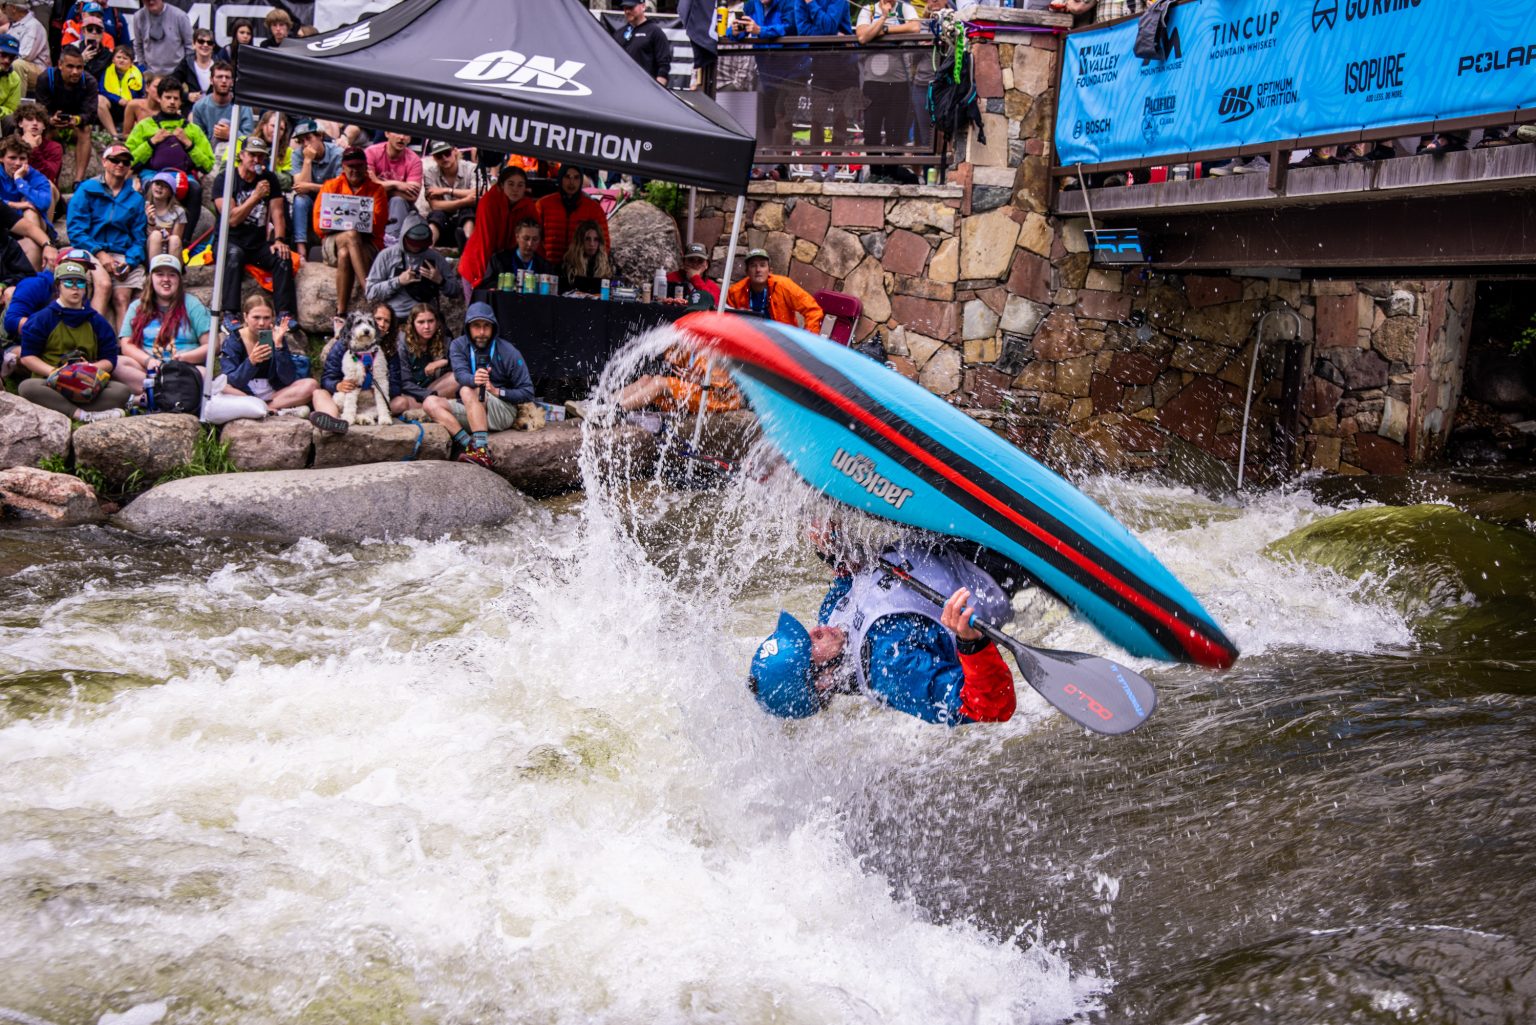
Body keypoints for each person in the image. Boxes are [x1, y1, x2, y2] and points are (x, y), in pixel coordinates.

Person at [749, 541, 1017, 724]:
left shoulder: (831, 617)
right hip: (986, 568)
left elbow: (851, 573)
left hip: (937, 533)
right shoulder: (891, 672)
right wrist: (970, 644)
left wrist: (831, 546)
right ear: (824, 680)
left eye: (804, 634)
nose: (815, 630)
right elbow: (987, 708)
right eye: (809, 646)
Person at [15, 254, 132, 422]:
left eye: (80, 282)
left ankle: (64, 409)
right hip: (50, 383)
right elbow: (27, 357)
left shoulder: (96, 321)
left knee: (122, 391)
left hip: (87, 383)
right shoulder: (42, 318)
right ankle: (82, 415)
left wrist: (90, 369)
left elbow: (110, 359)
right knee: (27, 387)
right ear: (58, 286)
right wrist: (56, 373)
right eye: (68, 282)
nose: (75, 288)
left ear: (85, 287)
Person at [421, 301, 534, 469]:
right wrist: (475, 379)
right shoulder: (458, 345)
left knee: (467, 391)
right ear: (468, 327)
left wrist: (497, 391)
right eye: (476, 326)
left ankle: (482, 450)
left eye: (486, 326)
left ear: (494, 327)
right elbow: (460, 374)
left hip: (502, 410)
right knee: (430, 402)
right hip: (472, 407)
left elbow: (528, 392)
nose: (481, 332)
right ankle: (470, 446)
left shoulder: (508, 351)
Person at [210, 134, 296, 326]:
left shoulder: (269, 178)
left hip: (257, 243)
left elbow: (277, 212)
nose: (257, 160)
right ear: (242, 155)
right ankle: (231, 312)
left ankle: (285, 313)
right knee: (233, 255)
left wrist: (280, 239)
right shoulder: (226, 178)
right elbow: (231, 219)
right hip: (229, 240)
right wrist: (255, 196)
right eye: (252, 155)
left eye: (260, 156)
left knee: (283, 257)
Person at [65, 142, 144, 326]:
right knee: (104, 285)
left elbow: (139, 238)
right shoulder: (86, 189)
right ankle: (92, 339)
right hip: (90, 250)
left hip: (122, 254)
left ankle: (122, 346)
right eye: (115, 160)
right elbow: (76, 230)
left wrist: (130, 262)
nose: (120, 165)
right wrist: (100, 254)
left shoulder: (136, 198)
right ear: (104, 162)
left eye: (125, 162)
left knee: (122, 297)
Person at [113, 252, 210, 396]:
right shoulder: (136, 307)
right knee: (118, 364)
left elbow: (211, 344)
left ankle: (155, 393)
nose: (166, 279)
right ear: (151, 278)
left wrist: (185, 358)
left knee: (203, 373)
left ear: (179, 279)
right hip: (149, 370)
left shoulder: (192, 304)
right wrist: (148, 361)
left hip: (184, 369)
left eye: (172, 274)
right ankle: (168, 392)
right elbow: (126, 344)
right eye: (159, 274)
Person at [124, 76, 210, 237]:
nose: (171, 102)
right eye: (167, 97)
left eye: (175, 98)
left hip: (182, 177)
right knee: (151, 186)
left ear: (181, 102)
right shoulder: (145, 126)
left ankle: (184, 241)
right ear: (160, 98)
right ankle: (147, 237)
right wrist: (151, 142)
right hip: (152, 174)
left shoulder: (192, 130)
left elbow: (208, 164)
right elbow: (128, 159)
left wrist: (188, 144)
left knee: (195, 189)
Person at [313, 145, 388, 319]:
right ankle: (369, 290)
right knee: (351, 234)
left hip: (367, 245)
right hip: (333, 241)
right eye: (350, 166)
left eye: (359, 166)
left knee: (345, 253)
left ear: (365, 167)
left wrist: (350, 220)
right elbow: (318, 226)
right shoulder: (330, 186)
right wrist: (350, 223)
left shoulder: (377, 190)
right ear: (343, 167)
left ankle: (340, 313)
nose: (355, 170)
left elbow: (378, 225)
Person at [219, 292, 319, 412]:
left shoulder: (276, 336)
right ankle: (264, 407)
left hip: (274, 393)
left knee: (311, 384)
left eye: (266, 318)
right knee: (221, 386)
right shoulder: (234, 339)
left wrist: (279, 347)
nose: (261, 323)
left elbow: (288, 378)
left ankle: (266, 407)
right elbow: (232, 380)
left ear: (272, 318)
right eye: (256, 317)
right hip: (243, 392)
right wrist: (251, 362)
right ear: (245, 317)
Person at [457, 164, 535, 301]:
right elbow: (485, 243)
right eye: (511, 184)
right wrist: (480, 280)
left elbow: (535, 239)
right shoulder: (489, 201)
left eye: (520, 185)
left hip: (504, 268)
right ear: (501, 185)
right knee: (477, 314)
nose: (515, 189)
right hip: (477, 266)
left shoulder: (528, 206)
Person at [365, 220, 459, 321]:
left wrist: (441, 281)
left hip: (426, 319)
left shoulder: (435, 258)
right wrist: (398, 281)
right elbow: (370, 292)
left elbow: (456, 291)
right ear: (404, 238)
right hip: (396, 318)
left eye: (420, 243)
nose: (417, 247)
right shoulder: (387, 256)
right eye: (413, 243)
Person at [616, 342, 742, 414]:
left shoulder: (713, 353)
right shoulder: (687, 347)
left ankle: (617, 411)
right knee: (646, 379)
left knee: (659, 383)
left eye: (669, 356)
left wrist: (702, 381)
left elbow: (726, 393)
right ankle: (607, 402)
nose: (668, 361)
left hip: (719, 401)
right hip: (697, 393)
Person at [36, 45, 99, 185]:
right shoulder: (46, 79)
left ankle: (78, 180)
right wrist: (50, 119)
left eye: (79, 67)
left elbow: (91, 114)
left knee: (86, 130)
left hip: (75, 126)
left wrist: (76, 120)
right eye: (70, 66)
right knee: (42, 130)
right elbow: (39, 109)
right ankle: (47, 179)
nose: (75, 72)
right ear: (60, 64)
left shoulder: (89, 82)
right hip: (51, 125)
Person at [727, 247, 823, 331]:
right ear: (747, 272)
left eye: (762, 265)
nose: (758, 270)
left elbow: (813, 310)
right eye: (753, 265)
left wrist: (807, 339)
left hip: (783, 341)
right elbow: (727, 320)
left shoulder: (784, 286)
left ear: (770, 271)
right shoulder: (735, 292)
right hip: (751, 340)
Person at [389, 302, 456, 415]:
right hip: (410, 393)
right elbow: (405, 383)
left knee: (455, 377)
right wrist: (429, 396)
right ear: (412, 324)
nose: (427, 327)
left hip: (433, 388)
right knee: (398, 405)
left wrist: (443, 362)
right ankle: (429, 407)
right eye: (421, 322)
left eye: (431, 321)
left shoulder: (445, 340)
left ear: (437, 322)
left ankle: (427, 408)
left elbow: (460, 367)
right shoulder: (402, 343)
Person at [536, 164, 607, 263]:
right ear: (560, 178)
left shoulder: (594, 209)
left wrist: (590, 265)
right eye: (567, 177)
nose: (571, 182)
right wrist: (542, 262)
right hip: (548, 269)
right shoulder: (543, 205)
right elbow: (534, 237)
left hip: (581, 269)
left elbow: (604, 244)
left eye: (576, 177)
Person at [290, 117, 340, 253]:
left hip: (332, 202)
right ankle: (301, 250)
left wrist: (311, 187)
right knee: (299, 200)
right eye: (301, 141)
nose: (305, 144)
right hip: (310, 201)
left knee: (335, 200)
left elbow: (340, 189)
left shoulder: (337, 153)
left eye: (308, 138)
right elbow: (300, 189)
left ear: (320, 136)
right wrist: (307, 160)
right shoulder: (298, 155)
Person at [364, 131, 422, 247]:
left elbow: (412, 196)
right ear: (386, 134)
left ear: (410, 139)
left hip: (401, 208)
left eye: (406, 134)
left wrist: (379, 184)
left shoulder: (414, 160)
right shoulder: (371, 152)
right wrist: (397, 185)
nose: (401, 137)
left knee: (397, 201)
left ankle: (391, 242)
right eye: (397, 133)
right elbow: (367, 187)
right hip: (373, 204)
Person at [417, 140, 476, 248]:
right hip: (443, 223)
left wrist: (447, 191)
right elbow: (435, 205)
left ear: (455, 151)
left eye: (447, 153)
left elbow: (478, 193)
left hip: (467, 220)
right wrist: (465, 201)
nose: (444, 158)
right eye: (439, 155)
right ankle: (427, 247)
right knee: (437, 215)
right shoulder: (429, 173)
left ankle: (467, 245)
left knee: (468, 212)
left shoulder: (471, 168)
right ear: (434, 158)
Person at [189, 62, 251, 162]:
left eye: (227, 77)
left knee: (225, 122)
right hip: (210, 157)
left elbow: (249, 142)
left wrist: (231, 134)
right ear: (211, 80)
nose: (223, 81)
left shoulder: (243, 107)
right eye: (219, 77)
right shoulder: (199, 107)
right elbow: (199, 141)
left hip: (237, 156)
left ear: (232, 81)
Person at [478, 217, 554, 290]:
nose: (530, 244)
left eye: (535, 239)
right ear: (517, 237)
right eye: (526, 238)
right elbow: (486, 285)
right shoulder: (499, 260)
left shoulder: (545, 266)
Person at [613, 1, 673, 87]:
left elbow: (664, 66)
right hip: (622, 87)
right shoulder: (619, 34)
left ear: (643, 7)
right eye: (625, 8)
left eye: (631, 7)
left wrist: (658, 91)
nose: (627, 11)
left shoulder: (655, 32)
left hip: (646, 88)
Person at [130, 0, 194, 77]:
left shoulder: (180, 16)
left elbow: (190, 46)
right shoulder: (138, 17)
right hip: (151, 75)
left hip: (177, 74)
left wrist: (183, 71)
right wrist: (143, 68)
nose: (151, 2)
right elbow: (138, 45)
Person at [0, 0, 47, 89]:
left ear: (13, 8)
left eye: (4, 6)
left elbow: (25, 56)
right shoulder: (15, 25)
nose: (4, 11)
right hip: (21, 64)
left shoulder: (32, 25)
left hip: (39, 71)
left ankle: (18, 102)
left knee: (17, 64)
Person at [99, 44, 144, 135]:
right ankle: (114, 134)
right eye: (118, 57)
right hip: (113, 104)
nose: (121, 60)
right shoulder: (107, 72)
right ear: (113, 60)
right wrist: (118, 99)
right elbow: (102, 90)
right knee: (99, 100)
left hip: (131, 106)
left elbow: (142, 94)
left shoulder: (138, 74)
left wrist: (131, 103)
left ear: (131, 62)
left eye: (125, 58)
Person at [559, 219, 613, 293]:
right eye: (587, 239)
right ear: (580, 241)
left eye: (596, 239)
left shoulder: (607, 266)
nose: (592, 244)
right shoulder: (567, 266)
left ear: (600, 242)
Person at [143, 169, 185, 260]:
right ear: (151, 186)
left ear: (171, 193)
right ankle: (153, 272)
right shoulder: (143, 206)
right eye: (157, 184)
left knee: (175, 239)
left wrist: (166, 237)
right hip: (148, 249)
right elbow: (143, 236)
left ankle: (173, 271)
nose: (160, 188)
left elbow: (177, 239)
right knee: (155, 235)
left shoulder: (179, 211)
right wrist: (151, 222)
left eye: (165, 186)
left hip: (169, 249)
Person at [15, 103, 62, 185]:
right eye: (30, 119)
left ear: (44, 126)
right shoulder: (11, 145)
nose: (35, 123)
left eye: (39, 120)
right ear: (20, 123)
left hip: (44, 191)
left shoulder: (54, 147)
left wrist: (34, 149)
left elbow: (49, 176)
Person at [171, 27, 216, 100]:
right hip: (191, 107)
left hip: (214, 107)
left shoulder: (219, 64)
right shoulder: (186, 63)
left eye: (209, 43)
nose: (205, 45)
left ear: (213, 46)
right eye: (201, 41)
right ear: (193, 44)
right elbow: (170, 85)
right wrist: (187, 96)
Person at [0, 33, 23, 121]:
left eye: (12, 57)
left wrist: (1, 111)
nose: (7, 60)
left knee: (11, 120)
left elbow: (12, 110)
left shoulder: (15, 78)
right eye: (3, 54)